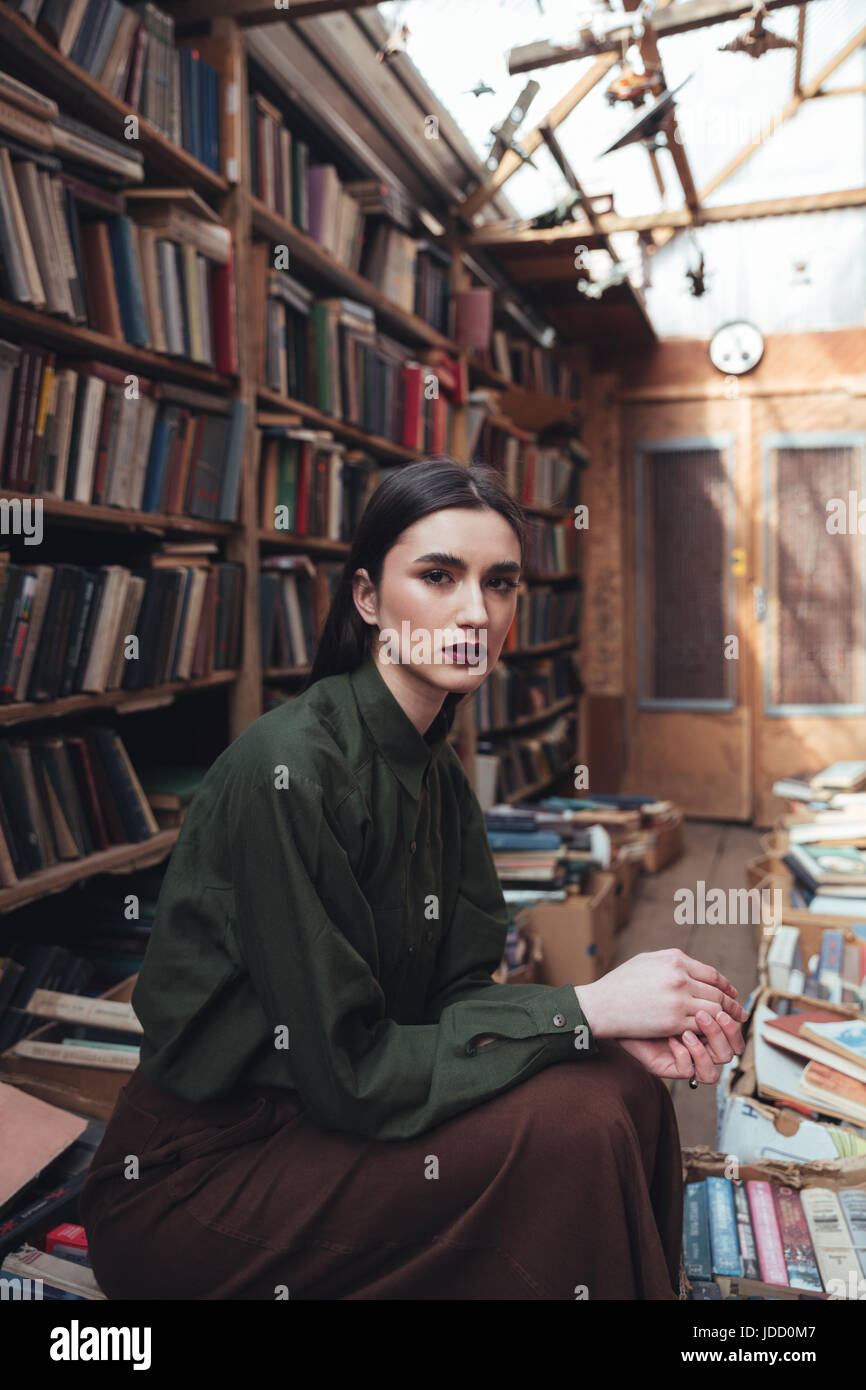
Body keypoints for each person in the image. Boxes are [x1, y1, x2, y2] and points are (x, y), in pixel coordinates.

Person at [80, 459, 747, 1300]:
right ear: (367, 598)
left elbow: (454, 997)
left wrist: (596, 1031)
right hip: (202, 1180)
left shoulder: (439, 776)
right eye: (438, 576)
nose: (476, 612)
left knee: (622, 1085)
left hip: (326, 1127)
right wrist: (585, 1009)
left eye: (499, 583)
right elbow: (348, 1072)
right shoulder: (288, 771)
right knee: (575, 1131)